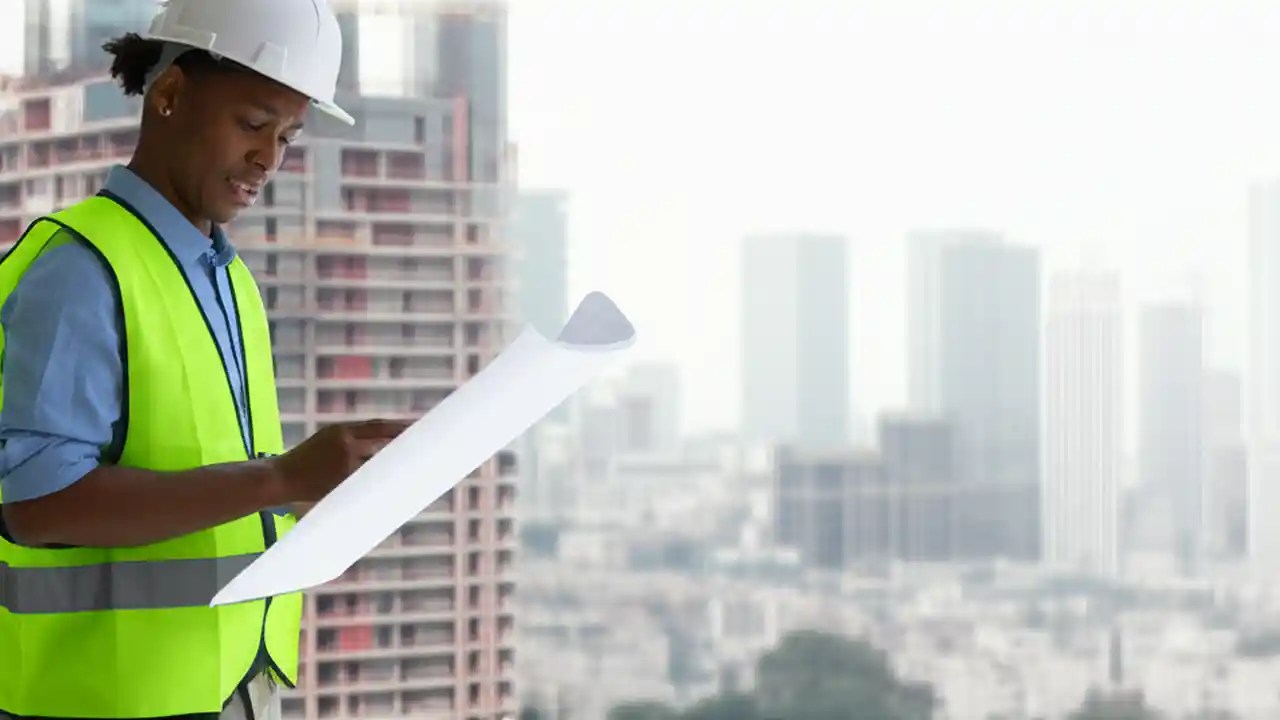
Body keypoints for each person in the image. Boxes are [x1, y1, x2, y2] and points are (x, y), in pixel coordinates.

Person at [0, 1, 409, 717]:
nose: (269, 158)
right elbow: (35, 503)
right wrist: (280, 476)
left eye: (288, 136)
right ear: (169, 95)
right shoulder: (80, 268)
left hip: (233, 688)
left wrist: (317, 487)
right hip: (104, 701)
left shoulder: (227, 277)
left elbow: (213, 481)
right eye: (253, 124)